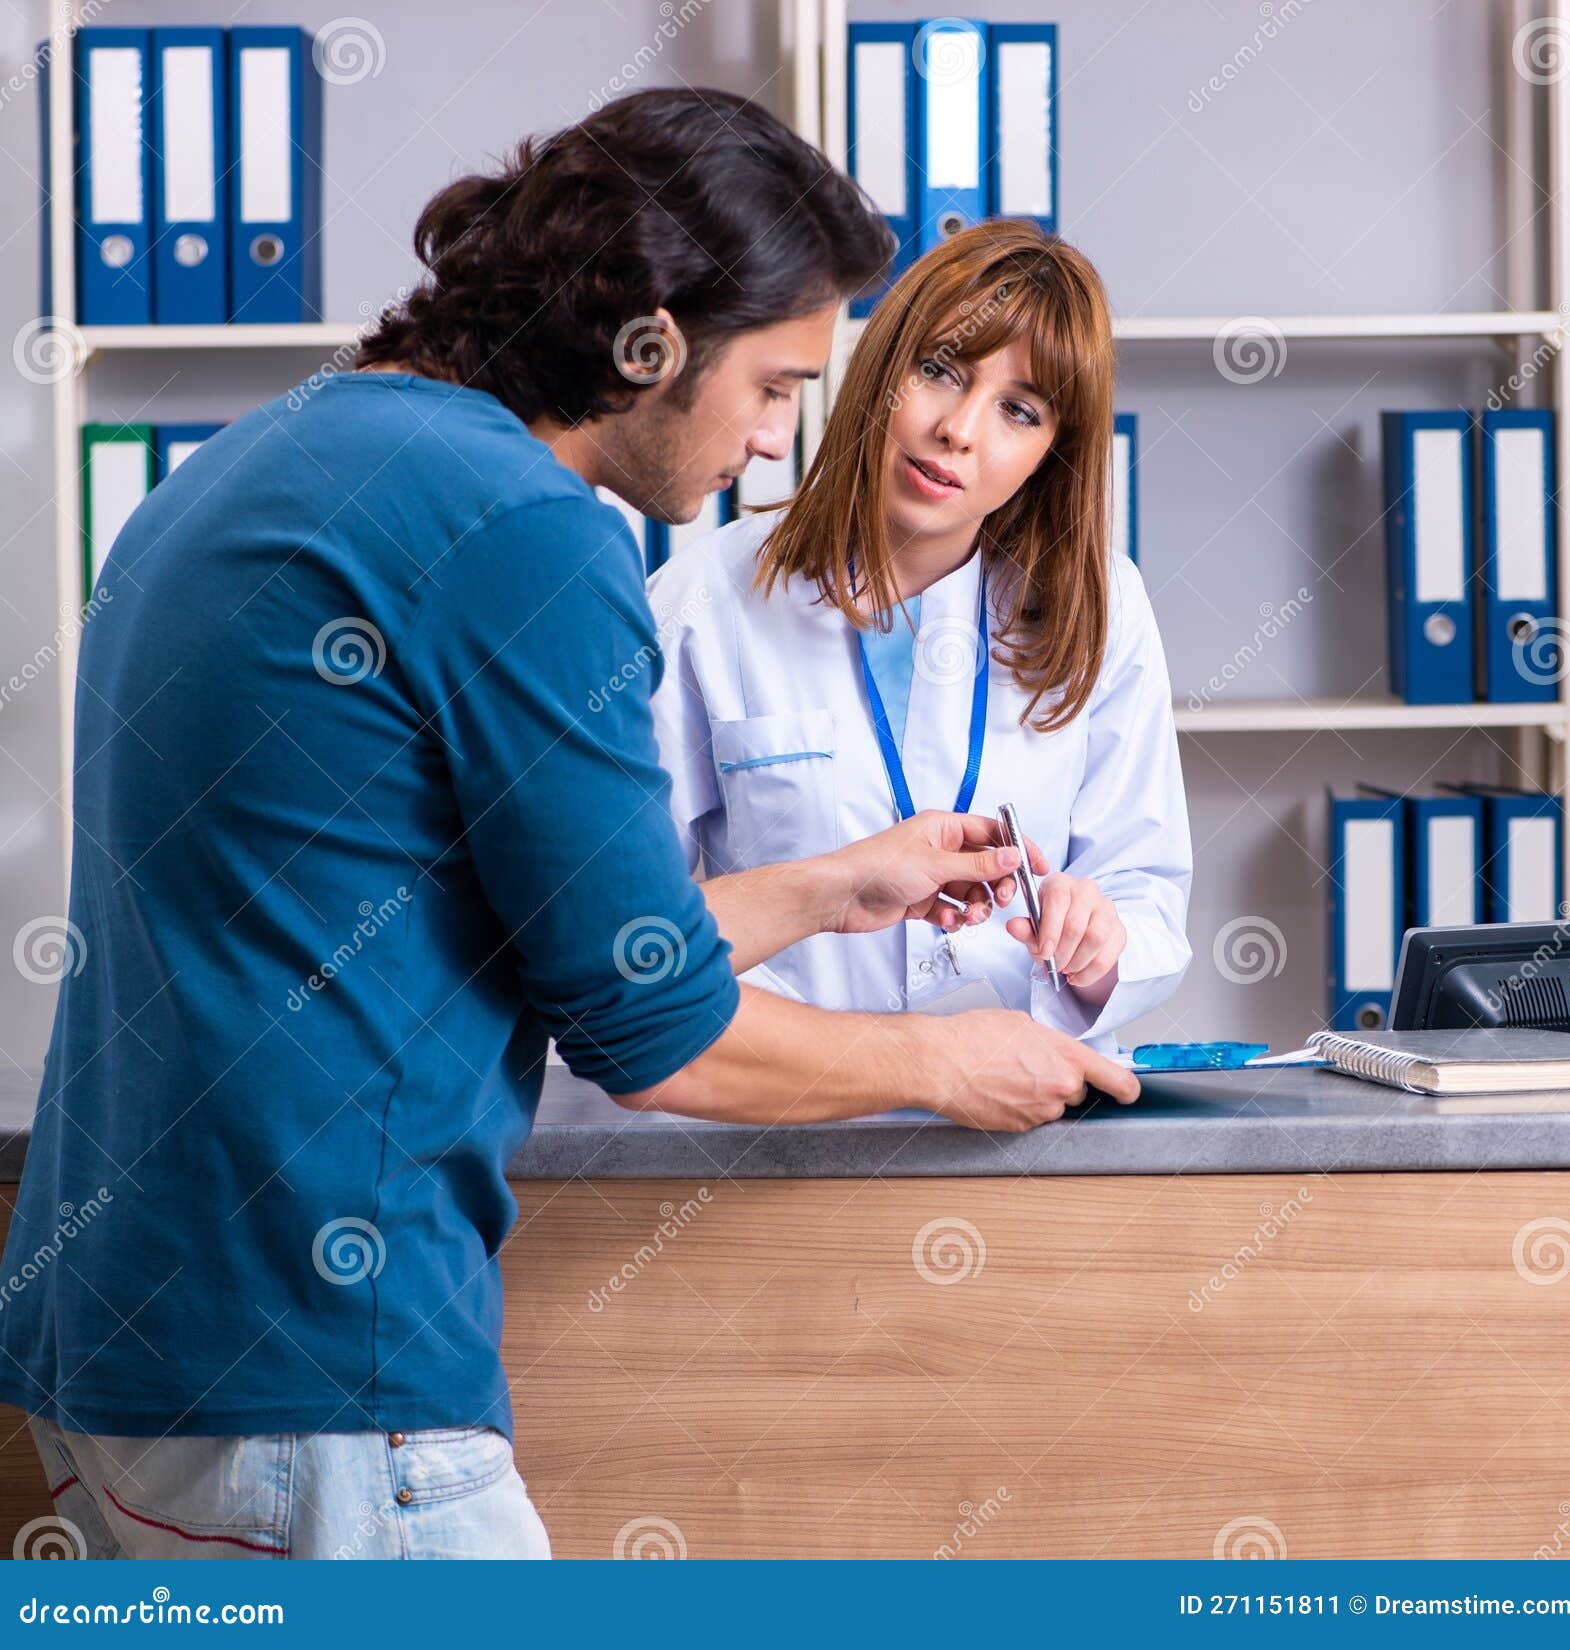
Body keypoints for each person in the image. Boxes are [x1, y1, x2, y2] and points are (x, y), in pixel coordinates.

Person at [0, 92, 1138, 1562]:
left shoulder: (254, 459)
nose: (783, 433)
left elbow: (498, 934)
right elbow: (652, 1033)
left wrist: (826, 886)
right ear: (651, 338)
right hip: (320, 1377)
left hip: (120, 1353)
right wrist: (951, 1058)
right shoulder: (526, 529)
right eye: (779, 381)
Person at [648, 222, 1192, 1051]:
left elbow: (1145, 888)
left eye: (1019, 410)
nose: (960, 431)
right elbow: (618, 922)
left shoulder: (1104, 605)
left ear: (1055, 451)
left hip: (1018, 1129)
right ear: (880, 368)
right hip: (776, 1121)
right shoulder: (702, 600)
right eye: (939, 371)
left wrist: (1099, 939)